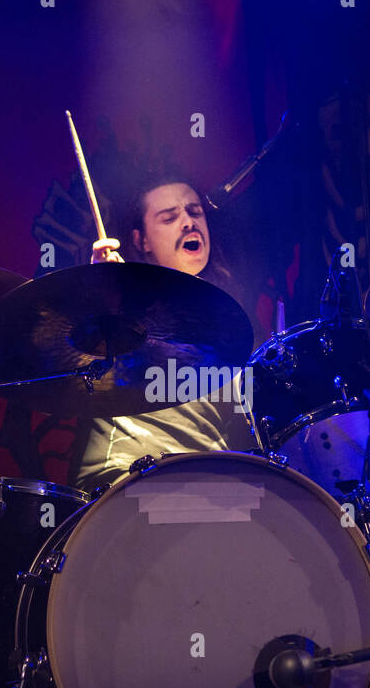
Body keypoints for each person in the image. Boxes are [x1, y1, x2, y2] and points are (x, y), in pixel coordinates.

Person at [67, 178, 259, 492]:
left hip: (211, 482)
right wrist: (100, 293)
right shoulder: (126, 301)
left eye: (195, 212)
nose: (188, 222)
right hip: (125, 474)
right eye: (169, 218)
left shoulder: (230, 319)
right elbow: (76, 351)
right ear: (140, 240)